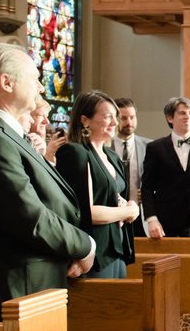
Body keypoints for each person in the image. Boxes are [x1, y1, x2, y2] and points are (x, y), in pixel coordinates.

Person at [0, 43, 94, 322]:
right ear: (6, 82)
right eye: (34, 78)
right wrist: (84, 245)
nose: (40, 87)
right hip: (6, 291)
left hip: (27, 287)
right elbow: (28, 216)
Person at [55, 91, 138, 278]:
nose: (115, 123)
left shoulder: (112, 156)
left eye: (115, 117)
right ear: (85, 120)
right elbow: (85, 212)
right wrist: (128, 212)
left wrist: (129, 204)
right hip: (94, 253)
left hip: (117, 248)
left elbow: (113, 195)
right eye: (108, 116)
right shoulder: (75, 153)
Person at [140, 97, 190, 238]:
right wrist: (151, 219)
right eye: (182, 113)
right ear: (170, 118)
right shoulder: (155, 147)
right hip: (166, 219)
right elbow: (147, 187)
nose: (188, 117)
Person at [112, 97, 150, 236]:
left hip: (141, 214)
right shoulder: (104, 146)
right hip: (113, 214)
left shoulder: (149, 146)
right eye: (123, 118)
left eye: (132, 117)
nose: (129, 122)